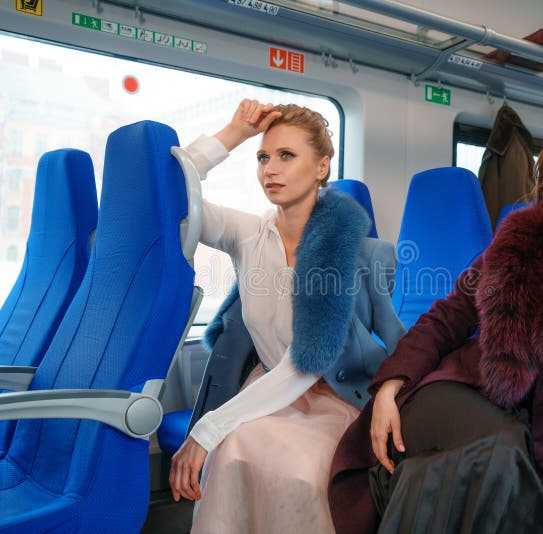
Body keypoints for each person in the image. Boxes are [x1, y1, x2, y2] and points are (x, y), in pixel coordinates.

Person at [328, 91, 543, 534]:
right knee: (503, 449)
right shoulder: (513, 239)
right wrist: (391, 383)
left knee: (476, 465)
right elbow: (449, 316)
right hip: (463, 394)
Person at [168, 99, 406, 533]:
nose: (269, 170)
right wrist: (233, 134)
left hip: (334, 394)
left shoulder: (344, 248)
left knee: (298, 468)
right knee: (235, 446)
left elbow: (306, 364)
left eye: (286, 156)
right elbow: (171, 202)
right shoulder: (248, 234)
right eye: (263, 157)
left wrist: (205, 429)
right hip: (269, 385)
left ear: (321, 168)